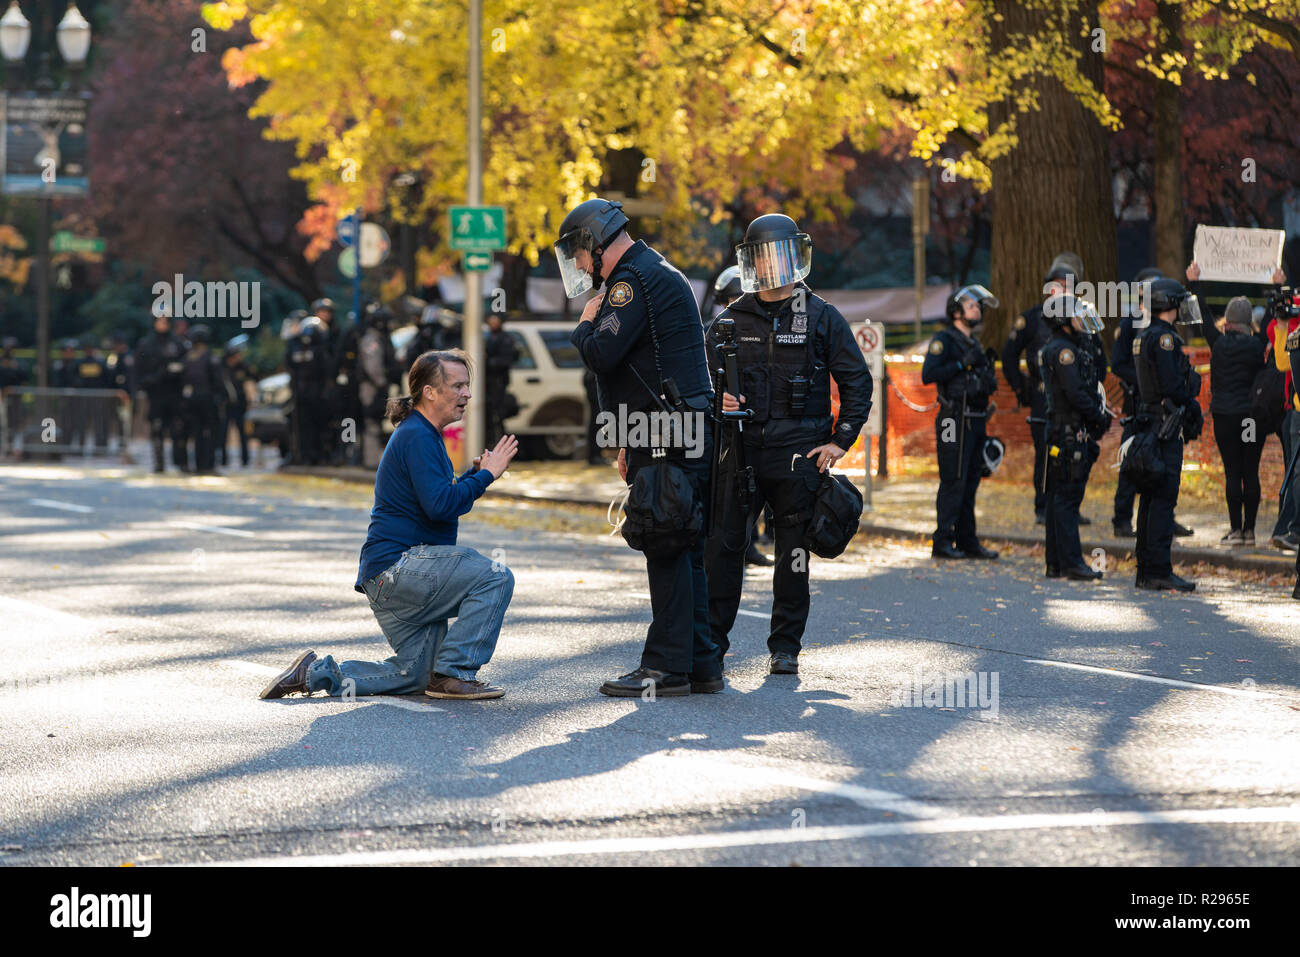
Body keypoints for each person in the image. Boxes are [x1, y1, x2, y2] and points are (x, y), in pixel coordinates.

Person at [260, 350, 520, 701]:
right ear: (429, 391)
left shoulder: (420, 434)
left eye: (468, 386)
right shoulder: (417, 435)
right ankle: (455, 674)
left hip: (386, 577)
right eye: (458, 386)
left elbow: (437, 498)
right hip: (400, 569)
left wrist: (475, 474)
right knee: (495, 576)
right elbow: (441, 505)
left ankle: (314, 674)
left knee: (413, 675)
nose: (467, 395)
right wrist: (487, 475)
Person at [559, 196, 720, 697]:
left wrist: (586, 322)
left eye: (580, 254)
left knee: (665, 543)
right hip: (674, 429)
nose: (581, 266)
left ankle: (665, 668)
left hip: (666, 434)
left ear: (595, 241)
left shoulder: (631, 282)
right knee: (684, 544)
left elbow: (603, 353)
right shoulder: (654, 270)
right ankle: (700, 665)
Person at [705, 213, 872, 675]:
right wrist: (717, 397)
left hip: (800, 458)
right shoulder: (729, 320)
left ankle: (785, 648)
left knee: (793, 557)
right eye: (764, 254)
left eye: (781, 253)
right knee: (724, 552)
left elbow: (857, 381)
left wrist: (840, 441)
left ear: (796, 255)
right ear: (751, 260)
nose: (773, 263)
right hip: (740, 456)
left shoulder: (821, 316)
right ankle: (711, 647)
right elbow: (697, 386)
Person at [1132, 278, 1203, 591]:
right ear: (1168, 303)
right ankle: (1158, 569)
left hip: (1151, 423)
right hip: (1165, 427)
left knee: (1149, 499)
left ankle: (1146, 569)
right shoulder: (1165, 339)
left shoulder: (1144, 336)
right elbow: (1173, 385)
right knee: (1162, 500)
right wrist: (1191, 402)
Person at [922, 284, 1002, 560]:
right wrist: (960, 364)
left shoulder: (973, 343)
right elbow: (928, 374)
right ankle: (942, 541)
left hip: (975, 419)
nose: (977, 310)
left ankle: (968, 541)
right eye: (971, 306)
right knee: (953, 480)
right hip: (952, 420)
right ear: (956, 312)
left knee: (971, 482)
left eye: (978, 306)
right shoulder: (944, 340)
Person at [1039, 295, 1111, 579]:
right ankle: (1070, 562)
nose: (1081, 320)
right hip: (1068, 432)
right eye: (1076, 315)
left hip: (1063, 430)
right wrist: (1098, 415)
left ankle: (1056, 562)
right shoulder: (1063, 351)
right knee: (1067, 498)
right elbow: (1075, 393)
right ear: (1062, 319)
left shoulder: (1067, 346)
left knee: (1059, 498)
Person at [1003, 258, 1075, 525]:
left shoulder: (1079, 319)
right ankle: (1042, 507)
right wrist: (1023, 388)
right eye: (1058, 286)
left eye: (1069, 287)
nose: (1064, 291)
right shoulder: (1033, 318)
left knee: (1072, 452)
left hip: (1073, 398)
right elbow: (1009, 355)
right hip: (1043, 397)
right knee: (1045, 453)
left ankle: (1070, 507)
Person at [1202, 295, 1267, 545]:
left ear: (1227, 320)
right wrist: (1276, 287)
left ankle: (1235, 530)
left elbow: (1204, 317)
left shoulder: (1217, 343)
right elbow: (1273, 316)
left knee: (1232, 472)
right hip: (1249, 418)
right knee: (1251, 471)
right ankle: (1250, 531)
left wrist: (1196, 283)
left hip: (1225, 417)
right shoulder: (1257, 344)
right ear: (1249, 322)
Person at [133, 310, 187, 473]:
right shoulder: (146, 344)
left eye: (166, 320)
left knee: (178, 429)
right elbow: (139, 370)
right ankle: (159, 463)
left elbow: (185, 365)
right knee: (157, 430)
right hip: (156, 394)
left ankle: (180, 463)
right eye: (160, 320)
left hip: (174, 393)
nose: (163, 322)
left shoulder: (177, 343)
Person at [356, 303, 403, 468]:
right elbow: (373, 367)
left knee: (379, 422)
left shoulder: (382, 338)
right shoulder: (372, 339)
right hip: (372, 387)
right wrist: (382, 383)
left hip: (380, 385)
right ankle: (371, 461)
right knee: (371, 422)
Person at [284, 314, 331, 466]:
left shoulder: (298, 348)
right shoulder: (318, 350)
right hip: (309, 393)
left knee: (310, 425)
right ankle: (308, 454)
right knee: (310, 425)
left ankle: (309, 454)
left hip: (306, 393)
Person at [179, 325, 226, 475]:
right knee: (210, 433)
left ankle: (199, 465)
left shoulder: (187, 358)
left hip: (192, 400)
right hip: (208, 400)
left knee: (197, 433)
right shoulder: (210, 357)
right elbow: (218, 381)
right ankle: (208, 465)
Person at [484, 312, 519, 446]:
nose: (492, 323)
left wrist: (490, 362)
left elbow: (507, 359)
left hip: (498, 382)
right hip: (489, 382)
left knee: (498, 417)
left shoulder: (505, 339)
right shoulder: (489, 336)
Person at [220, 334, 253, 469]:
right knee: (223, 434)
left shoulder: (243, 367)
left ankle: (245, 460)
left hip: (240, 405)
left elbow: (251, 380)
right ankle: (223, 460)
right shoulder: (221, 367)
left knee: (243, 434)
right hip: (226, 405)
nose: (240, 356)